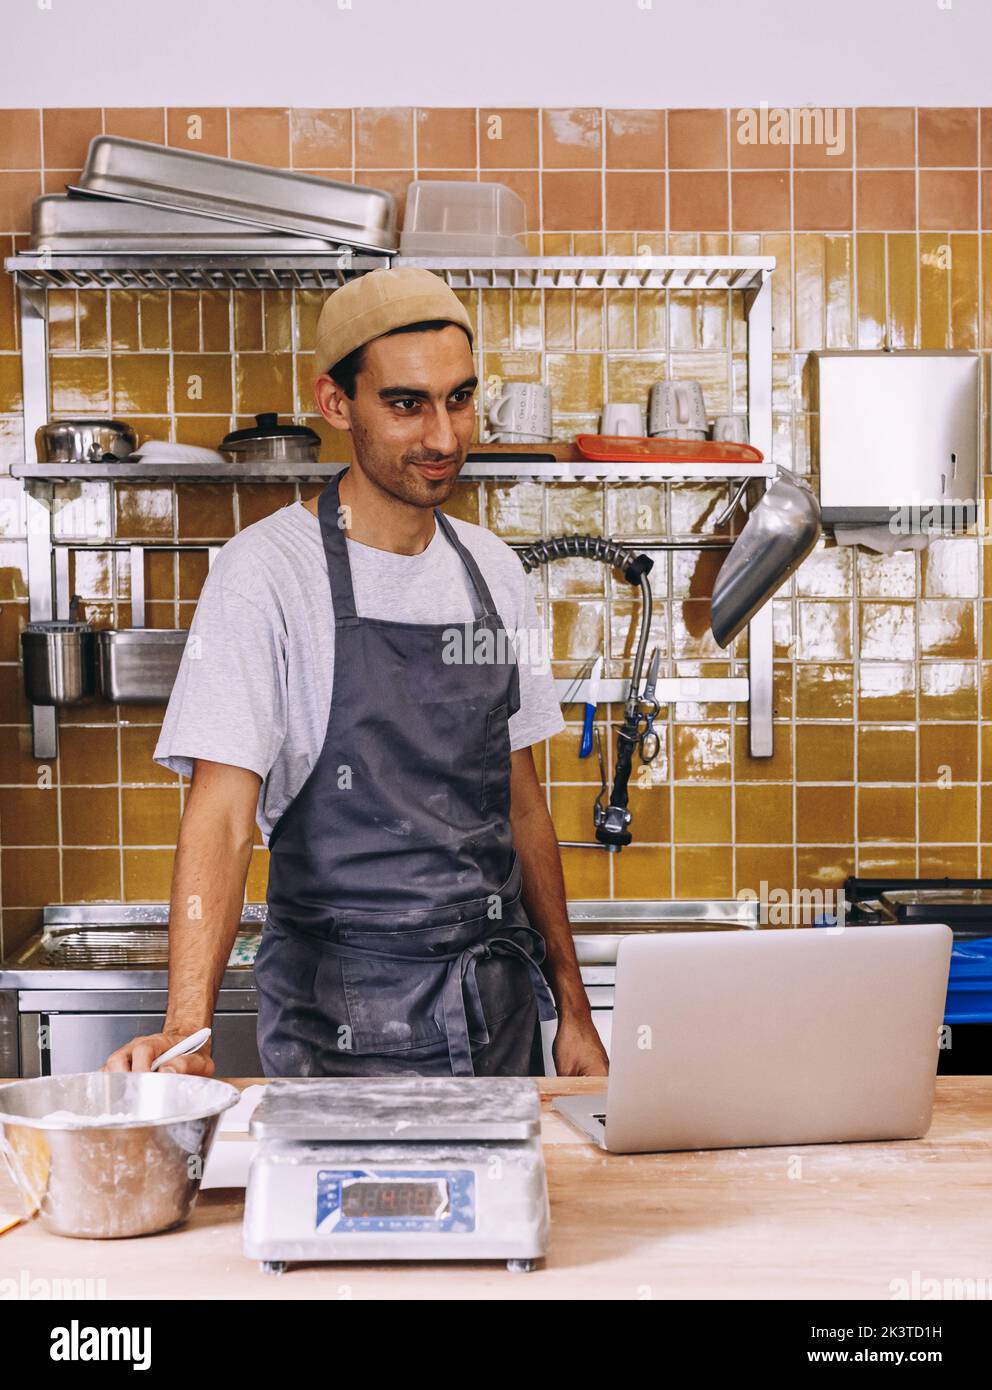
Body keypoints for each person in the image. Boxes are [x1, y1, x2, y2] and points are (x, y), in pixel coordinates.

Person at [105, 266, 609, 1079]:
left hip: (496, 1017)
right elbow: (223, 818)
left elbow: (521, 802)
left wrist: (573, 1009)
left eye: (460, 398)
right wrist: (184, 1029)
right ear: (337, 404)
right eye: (406, 404)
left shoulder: (496, 574)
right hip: (339, 1024)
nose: (444, 437)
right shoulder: (265, 574)